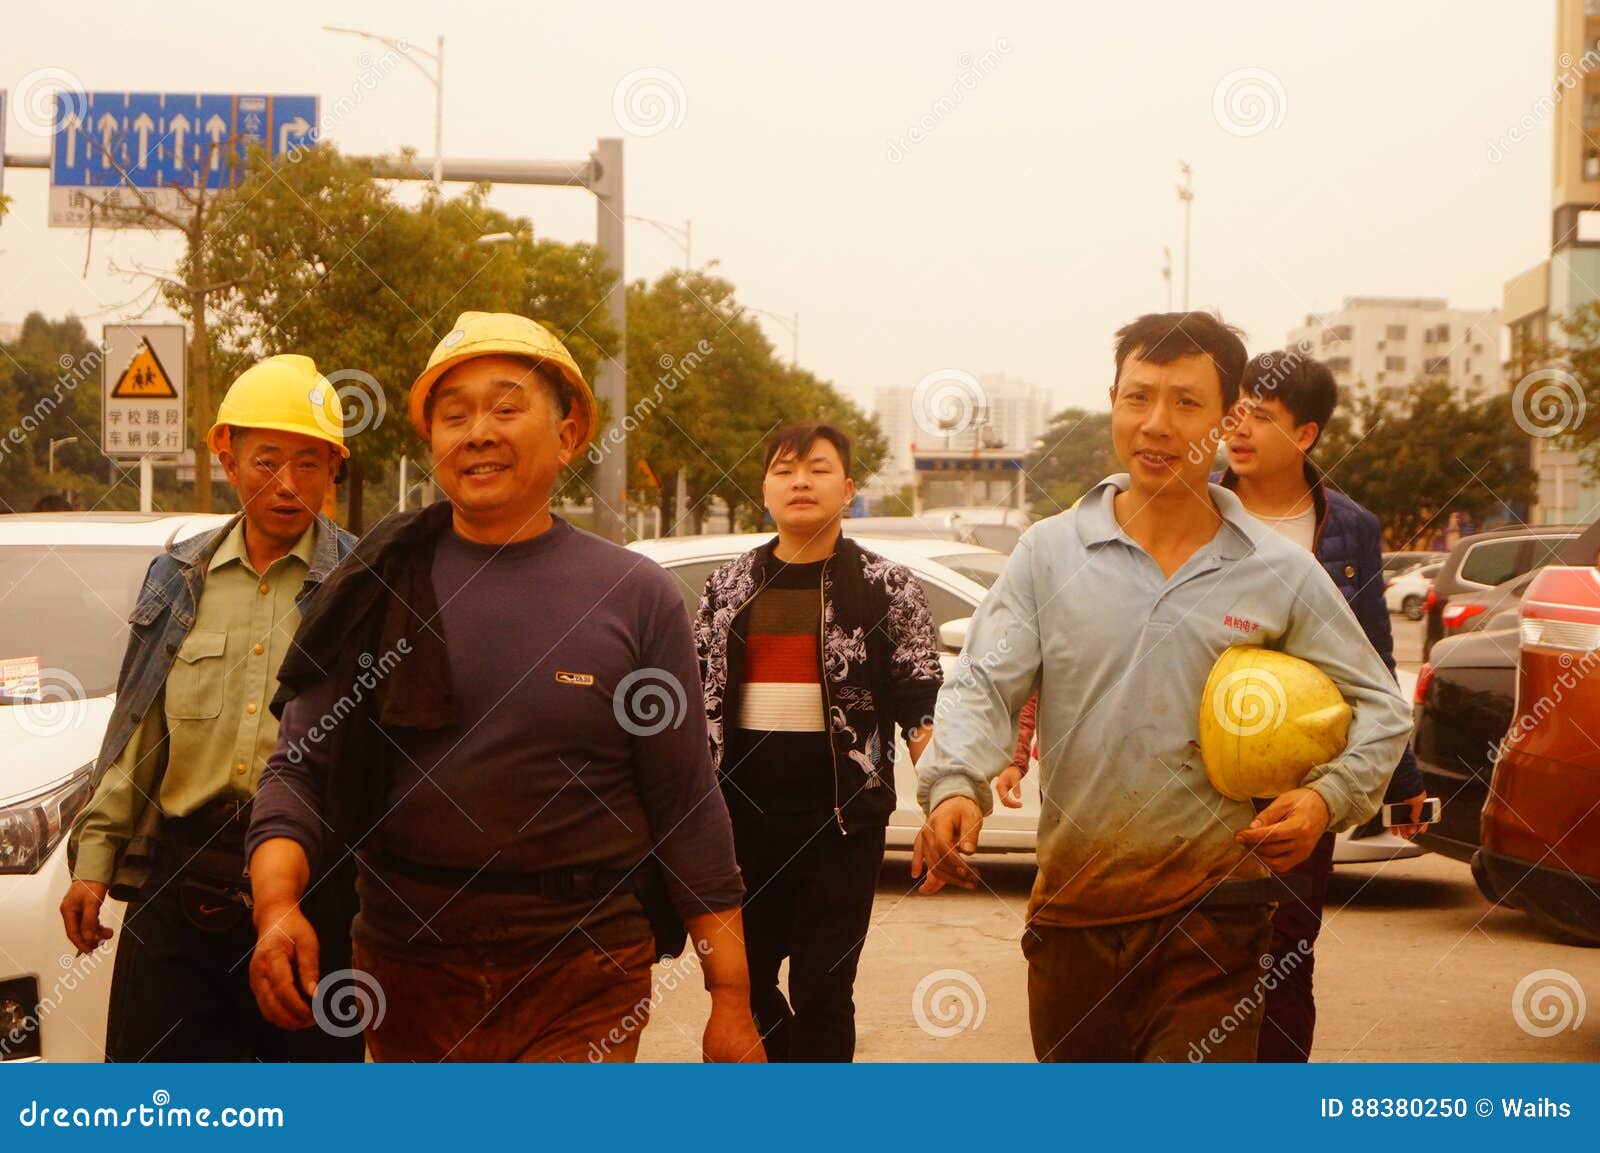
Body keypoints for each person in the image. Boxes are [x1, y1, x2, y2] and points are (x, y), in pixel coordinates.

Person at [244, 311, 763, 1063]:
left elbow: (685, 801)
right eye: (454, 416)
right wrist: (275, 906)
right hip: (407, 967)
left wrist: (732, 996)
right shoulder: (376, 586)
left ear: (569, 434)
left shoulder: (634, 596)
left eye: (506, 408)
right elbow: (300, 767)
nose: (478, 433)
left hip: (585, 967)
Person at [912, 311, 1414, 1062]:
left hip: (1218, 914)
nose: (1156, 424)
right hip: (1074, 909)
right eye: (1138, 397)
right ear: (1112, 401)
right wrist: (956, 784)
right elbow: (983, 682)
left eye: (1186, 402)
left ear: (1226, 419)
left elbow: (1381, 706)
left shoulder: (1275, 570)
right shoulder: (1049, 554)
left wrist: (1325, 798)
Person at [60, 354, 358, 1061]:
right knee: (155, 1101)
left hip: (315, 888)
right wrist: (94, 860)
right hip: (182, 876)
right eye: (267, 461)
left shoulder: (362, 581)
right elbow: (140, 731)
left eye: (309, 463)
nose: (287, 484)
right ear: (227, 458)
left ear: (333, 469)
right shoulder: (177, 576)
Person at [694, 422, 943, 1061]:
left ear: (848, 489)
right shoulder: (728, 586)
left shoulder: (887, 586)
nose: (800, 482)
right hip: (739, 825)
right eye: (784, 470)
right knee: (740, 985)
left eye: (818, 469)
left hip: (841, 827)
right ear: (765, 490)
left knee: (824, 992)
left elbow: (919, 702)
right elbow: (698, 705)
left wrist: (943, 795)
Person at [1218, 348, 1431, 1062]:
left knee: (1286, 954)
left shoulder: (1349, 528)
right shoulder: (1194, 507)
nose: (1238, 428)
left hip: (1304, 769)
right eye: (1235, 411)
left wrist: (1400, 775)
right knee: (1194, 949)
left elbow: (1371, 652)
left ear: (1305, 434)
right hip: (1202, 766)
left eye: (1261, 416)